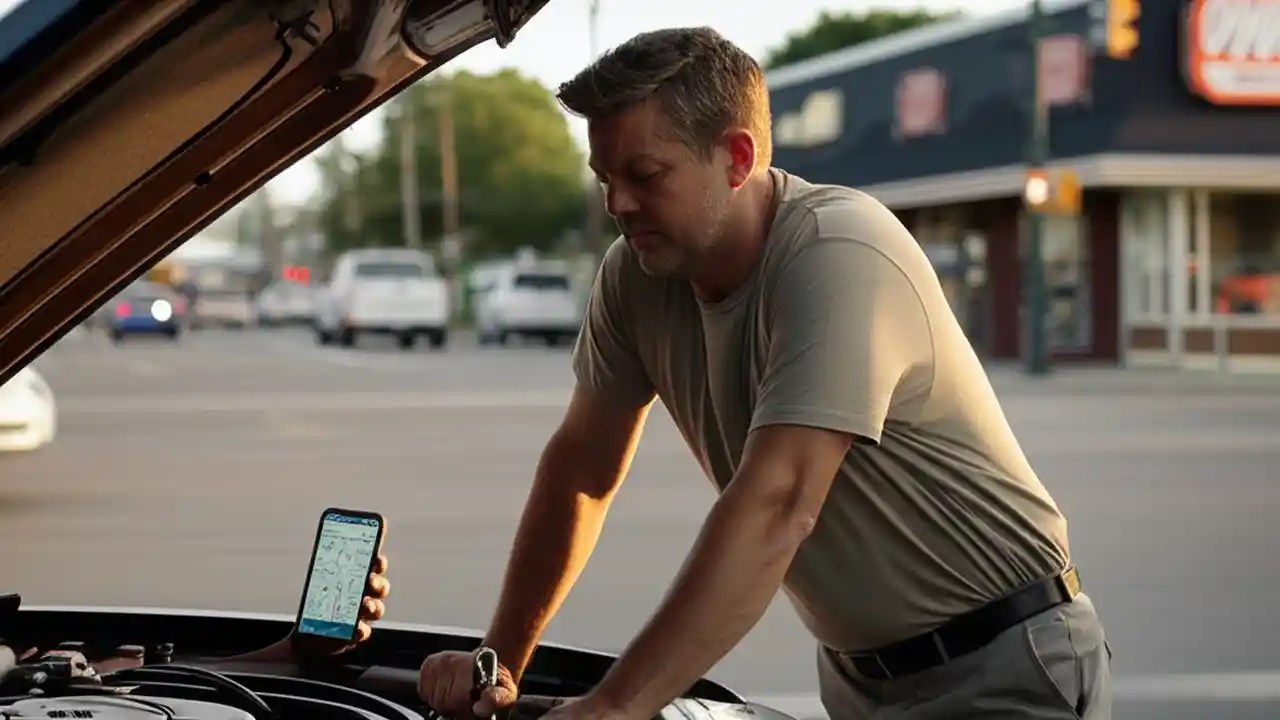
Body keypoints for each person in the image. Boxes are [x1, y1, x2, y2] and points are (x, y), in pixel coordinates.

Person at [417, 26, 1112, 720]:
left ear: (737, 157)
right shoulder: (635, 276)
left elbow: (779, 504)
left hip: (1002, 663)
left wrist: (615, 709)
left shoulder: (837, 250)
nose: (618, 205)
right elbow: (581, 471)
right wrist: (498, 663)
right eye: (606, 180)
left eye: (645, 175)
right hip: (857, 681)